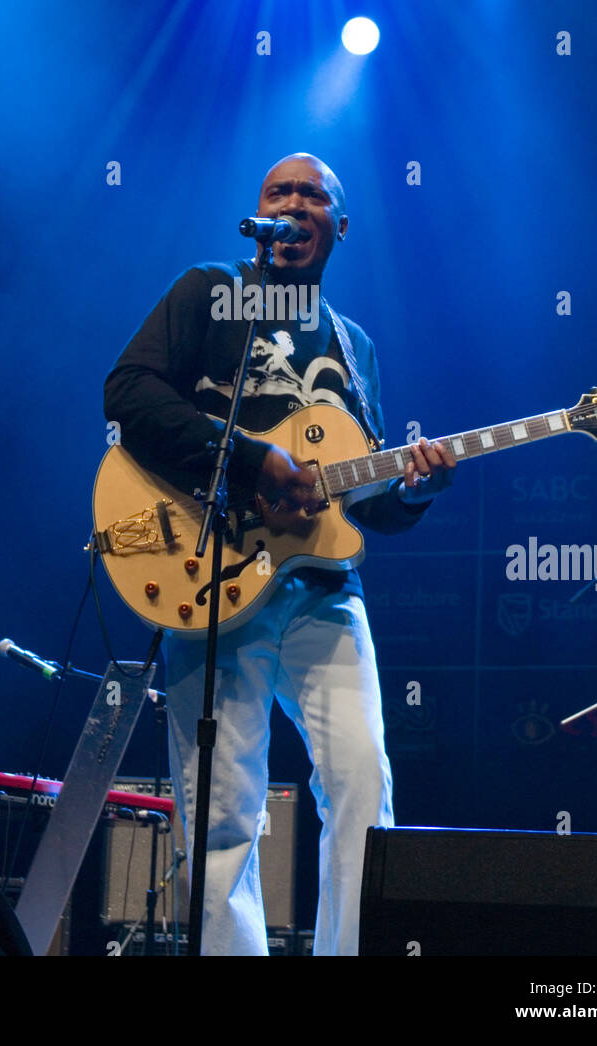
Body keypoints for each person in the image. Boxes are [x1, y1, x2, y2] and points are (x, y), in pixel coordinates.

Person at [103, 153, 455, 955]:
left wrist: (413, 493)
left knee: (364, 788)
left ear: (339, 224)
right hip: (212, 576)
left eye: (311, 196)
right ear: (259, 213)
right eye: (277, 193)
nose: (293, 205)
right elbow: (127, 392)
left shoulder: (352, 344)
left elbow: (362, 505)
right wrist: (260, 461)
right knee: (221, 810)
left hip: (322, 591)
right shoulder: (208, 291)